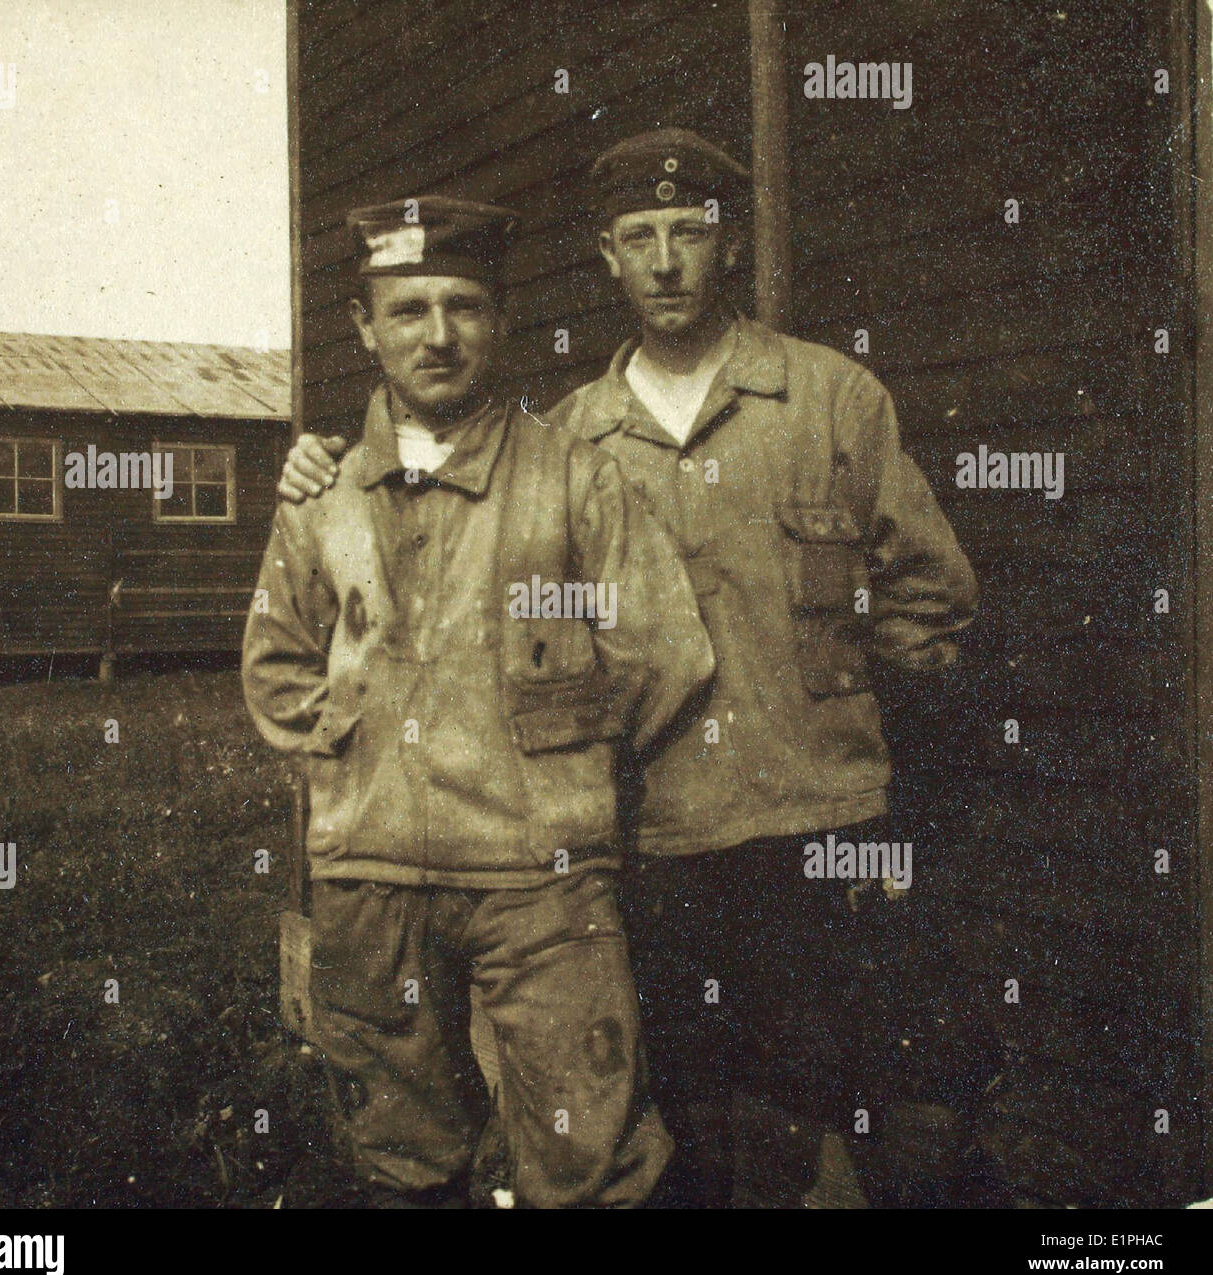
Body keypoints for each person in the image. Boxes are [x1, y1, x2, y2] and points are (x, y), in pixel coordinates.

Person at [275, 134, 980, 1207]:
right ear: (607, 257)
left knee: (874, 1093)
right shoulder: (569, 444)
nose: (665, 262)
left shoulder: (832, 399)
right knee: (679, 1112)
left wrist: (857, 742)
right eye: (638, 239)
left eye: (688, 233)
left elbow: (928, 594)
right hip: (655, 839)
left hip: (819, 818)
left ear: (726, 245)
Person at [242, 194, 715, 1208]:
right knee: (399, 1156)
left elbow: (663, 651)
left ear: (498, 320)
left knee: (587, 1152)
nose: (439, 335)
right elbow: (278, 665)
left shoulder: (572, 480)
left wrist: (557, 753)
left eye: (463, 306)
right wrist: (361, 745)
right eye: (407, 310)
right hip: (369, 882)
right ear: (366, 327)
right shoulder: (323, 496)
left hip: (541, 880)